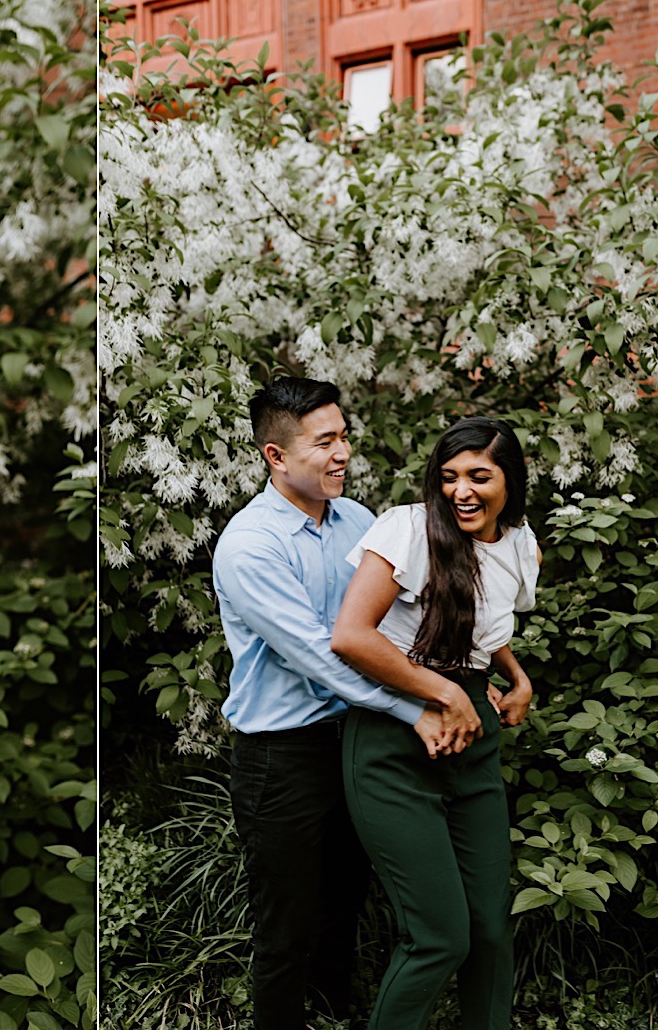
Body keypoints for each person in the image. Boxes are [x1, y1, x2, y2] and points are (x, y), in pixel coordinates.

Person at [210, 377, 483, 1029]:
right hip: (284, 758)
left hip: (362, 741)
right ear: (276, 456)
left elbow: (398, 630)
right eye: (325, 441)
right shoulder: (250, 546)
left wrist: (472, 679)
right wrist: (417, 708)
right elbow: (322, 655)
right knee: (285, 923)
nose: (343, 453)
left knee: (346, 901)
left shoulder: (359, 522)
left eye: (344, 436)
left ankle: (336, 1013)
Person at [331, 416, 539, 1030]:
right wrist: (445, 691)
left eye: (479, 476)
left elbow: (484, 623)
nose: (461, 492)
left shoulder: (521, 545)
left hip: (473, 738)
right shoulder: (409, 528)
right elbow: (352, 636)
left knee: (491, 928)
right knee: (439, 937)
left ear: (511, 479)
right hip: (394, 739)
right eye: (449, 477)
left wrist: (516, 676)